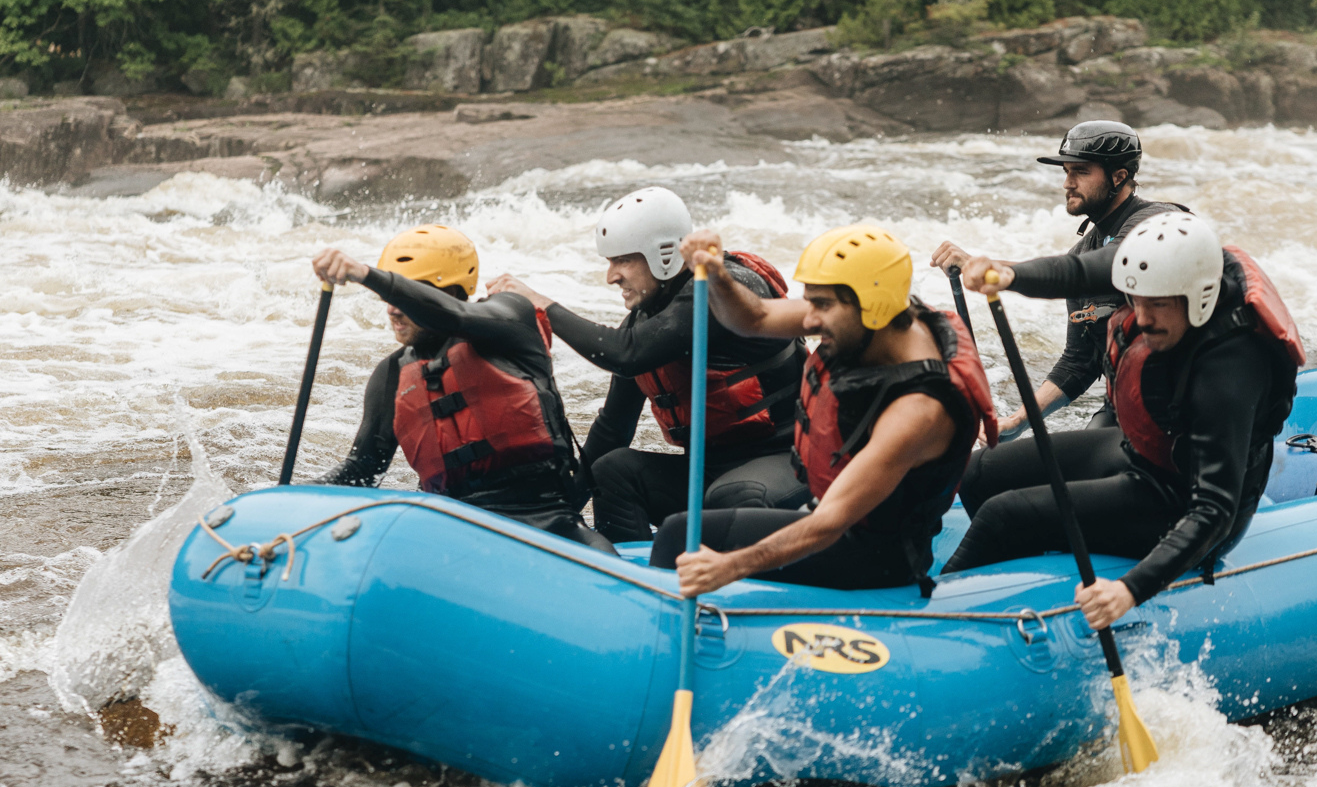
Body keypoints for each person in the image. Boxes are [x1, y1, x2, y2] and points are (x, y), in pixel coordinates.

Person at [944, 213, 1305, 628]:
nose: (1143, 317)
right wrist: (1009, 274)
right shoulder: (1165, 270)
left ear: (1199, 296)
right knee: (977, 474)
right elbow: (1077, 272)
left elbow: (1214, 508)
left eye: (1158, 305)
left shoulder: (1229, 368)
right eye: (1136, 301)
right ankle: (1021, 579)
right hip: (1144, 454)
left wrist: (1128, 591)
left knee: (1002, 516)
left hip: (1181, 501)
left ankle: (943, 630)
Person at [646, 224, 997, 596]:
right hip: (836, 519)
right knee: (682, 532)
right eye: (810, 301)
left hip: (875, 558)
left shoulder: (920, 411)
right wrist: (716, 274)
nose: (809, 320)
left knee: (680, 537)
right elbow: (756, 318)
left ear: (873, 307)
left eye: (822, 305)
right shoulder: (876, 317)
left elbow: (829, 522)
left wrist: (729, 566)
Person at [490, 187, 806, 542]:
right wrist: (554, 514)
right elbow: (613, 429)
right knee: (612, 470)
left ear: (663, 255)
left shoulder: (724, 291)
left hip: (784, 461)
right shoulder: (647, 322)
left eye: (622, 260)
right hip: (711, 471)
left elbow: (626, 355)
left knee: (733, 496)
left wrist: (542, 304)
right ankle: (627, 583)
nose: (611, 276)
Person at [312, 225, 612, 549]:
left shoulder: (510, 321)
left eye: (407, 293)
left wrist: (366, 274)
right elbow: (361, 473)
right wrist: (287, 498)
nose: (393, 308)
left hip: (546, 523)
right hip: (449, 536)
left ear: (453, 292)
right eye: (388, 296)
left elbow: (453, 316)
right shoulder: (391, 375)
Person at [931, 120, 1185, 437]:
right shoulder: (1084, 250)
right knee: (982, 473)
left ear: (1119, 177)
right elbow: (1077, 365)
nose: (1067, 183)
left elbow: (1103, 266)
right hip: (1124, 409)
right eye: (1066, 171)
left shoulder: (1160, 222)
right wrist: (1018, 421)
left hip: (1179, 411)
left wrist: (998, 271)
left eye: (1080, 171)